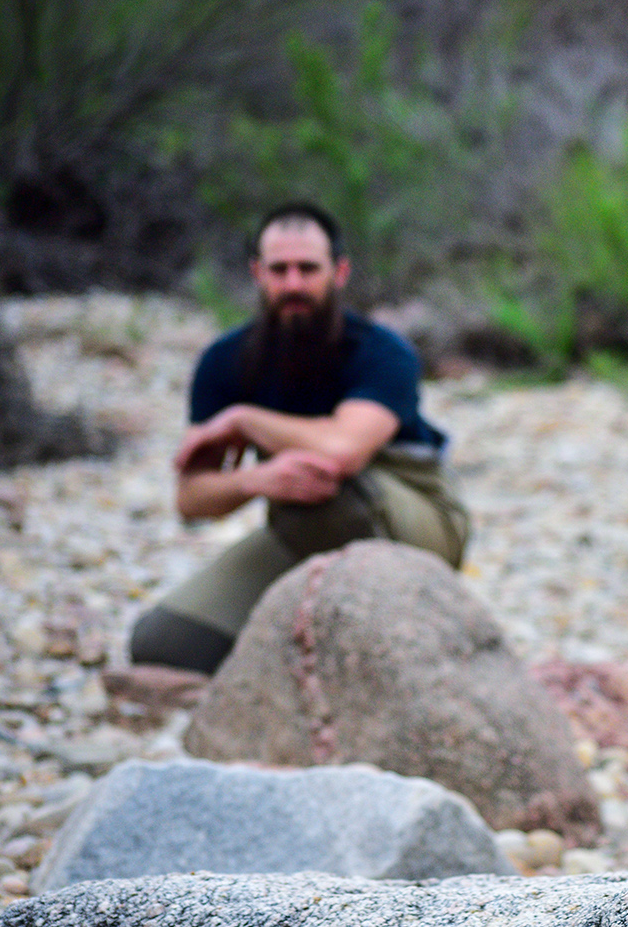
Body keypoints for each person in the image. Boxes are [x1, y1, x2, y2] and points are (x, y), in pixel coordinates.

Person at [128, 202, 471, 674]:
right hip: (302, 524)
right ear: (257, 273)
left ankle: (396, 635)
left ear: (340, 272)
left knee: (324, 488)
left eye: (308, 269)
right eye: (279, 269)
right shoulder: (225, 361)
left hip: (416, 518)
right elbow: (191, 497)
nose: (293, 284)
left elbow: (344, 452)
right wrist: (256, 481)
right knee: (165, 644)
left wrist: (246, 420)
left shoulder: (384, 352)